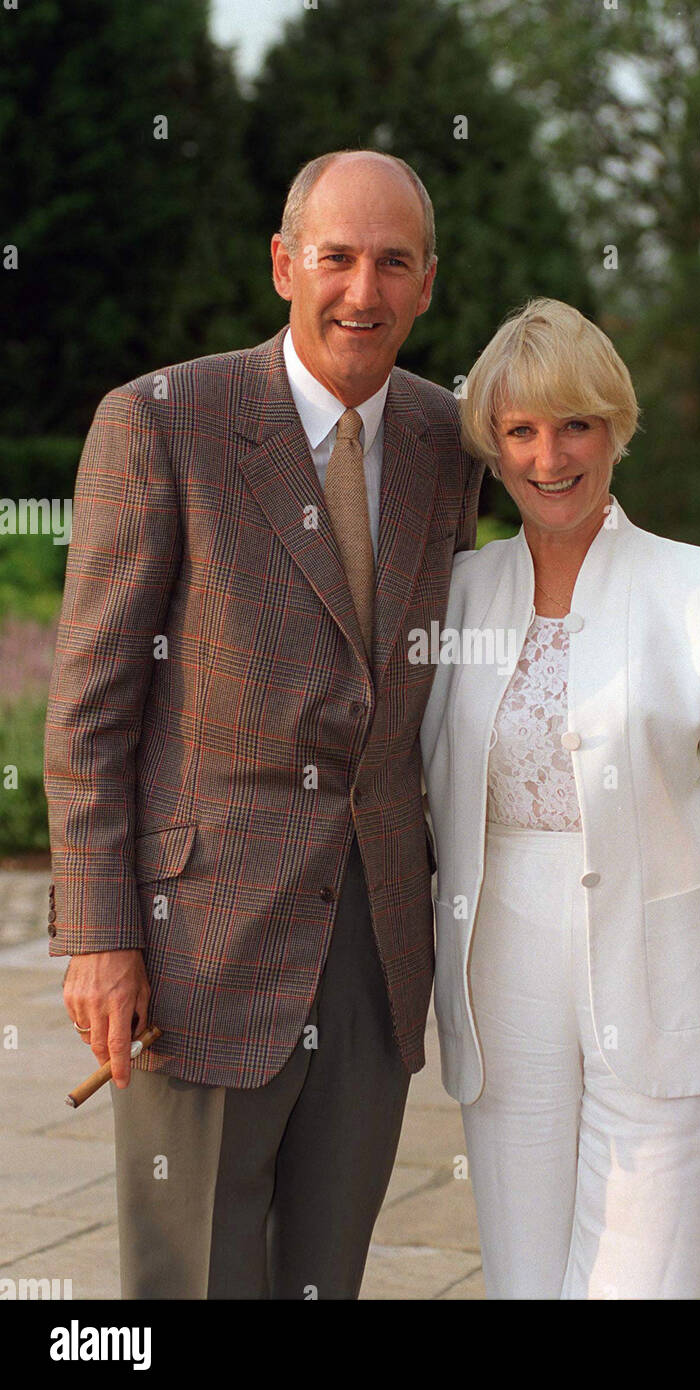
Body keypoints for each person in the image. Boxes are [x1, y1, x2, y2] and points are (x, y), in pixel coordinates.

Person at [44, 149, 483, 1299]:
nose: (362, 290)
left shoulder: (450, 442)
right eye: (335, 257)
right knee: (193, 1272)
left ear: (428, 283)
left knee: (321, 1275)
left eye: (393, 262)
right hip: (197, 938)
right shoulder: (161, 420)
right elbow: (91, 704)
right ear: (285, 265)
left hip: (378, 943)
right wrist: (100, 934)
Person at [419, 297, 700, 1299]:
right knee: (521, 1277)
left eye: (574, 424)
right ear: (493, 447)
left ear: (614, 429)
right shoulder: (458, 593)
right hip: (501, 985)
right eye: (520, 430)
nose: (549, 456)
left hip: (669, 990)